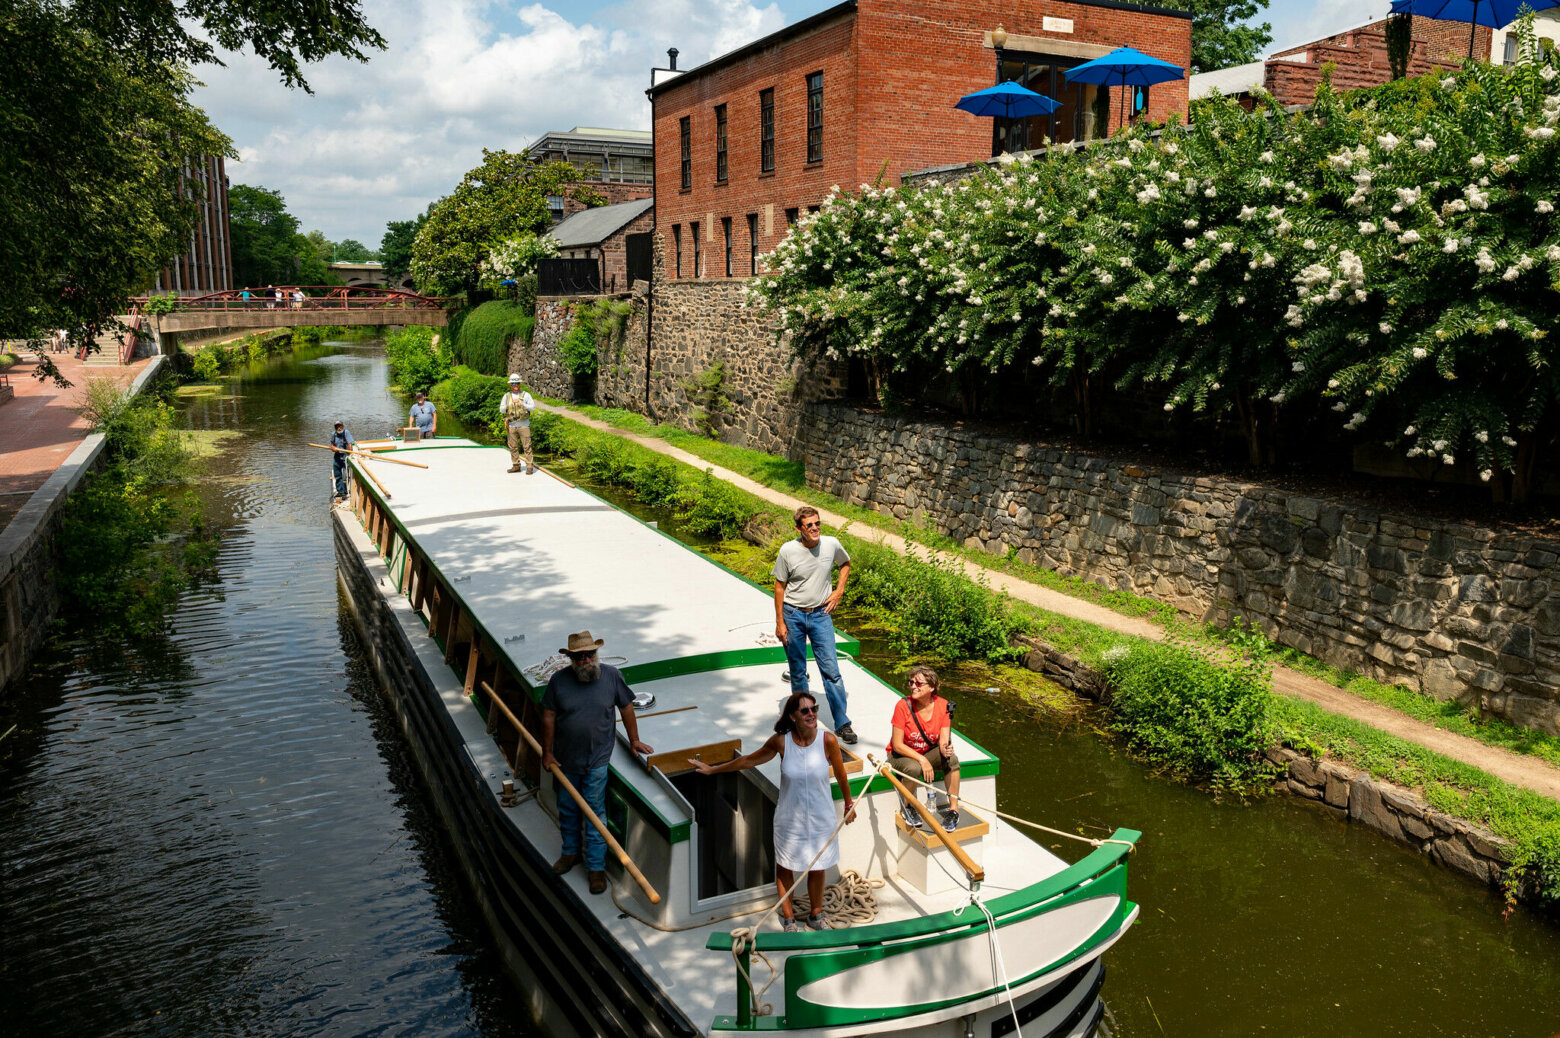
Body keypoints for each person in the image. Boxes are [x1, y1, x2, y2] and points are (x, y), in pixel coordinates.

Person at [691, 691, 857, 932]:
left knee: (818, 865)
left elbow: (841, 775)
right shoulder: (781, 742)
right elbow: (749, 760)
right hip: (790, 818)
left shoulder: (828, 741)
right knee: (785, 865)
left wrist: (849, 804)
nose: (811, 714)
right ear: (792, 716)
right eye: (804, 711)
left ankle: (816, 914)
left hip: (821, 816)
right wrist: (713, 770)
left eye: (814, 709)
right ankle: (789, 920)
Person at [542, 631, 652, 895]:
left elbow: (626, 707)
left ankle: (595, 869)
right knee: (567, 809)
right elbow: (548, 716)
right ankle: (570, 854)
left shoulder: (612, 676)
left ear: (596, 654)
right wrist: (547, 753)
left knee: (594, 815)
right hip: (566, 760)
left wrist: (635, 740)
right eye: (579, 657)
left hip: (597, 760)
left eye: (590, 655)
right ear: (571, 659)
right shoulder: (558, 681)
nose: (586, 661)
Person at [773, 506, 855, 743]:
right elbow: (780, 586)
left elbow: (846, 563)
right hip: (793, 615)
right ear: (799, 528)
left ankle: (842, 723)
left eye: (817, 523)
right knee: (798, 671)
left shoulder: (831, 544)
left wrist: (838, 591)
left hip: (821, 615)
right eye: (809, 525)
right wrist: (780, 622)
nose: (815, 528)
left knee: (832, 671)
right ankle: (802, 722)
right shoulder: (788, 551)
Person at [887, 665, 961, 832]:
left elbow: (943, 741)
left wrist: (945, 749)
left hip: (926, 752)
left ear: (932, 687)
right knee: (914, 768)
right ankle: (907, 806)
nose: (913, 686)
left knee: (952, 759)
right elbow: (897, 745)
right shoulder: (902, 706)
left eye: (919, 683)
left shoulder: (944, 706)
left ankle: (954, 810)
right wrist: (922, 759)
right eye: (911, 682)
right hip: (900, 754)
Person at [500, 374, 536, 474]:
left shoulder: (526, 395)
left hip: (524, 425)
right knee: (513, 446)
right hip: (511, 425)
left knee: (527, 446)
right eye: (513, 383)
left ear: (519, 384)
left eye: (517, 383)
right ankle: (516, 466)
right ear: (511, 385)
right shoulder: (506, 396)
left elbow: (533, 408)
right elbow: (502, 410)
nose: (515, 385)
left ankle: (529, 467)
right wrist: (508, 405)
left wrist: (523, 404)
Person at [329, 421, 355, 500]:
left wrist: (350, 451)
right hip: (337, 456)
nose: (339, 428)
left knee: (346, 474)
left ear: (342, 426)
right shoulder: (333, 434)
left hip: (345, 455)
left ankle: (348, 491)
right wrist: (332, 448)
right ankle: (341, 492)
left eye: (340, 426)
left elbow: (350, 444)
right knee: (337, 474)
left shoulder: (346, 433)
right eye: (337, 426)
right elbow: (332, 445)